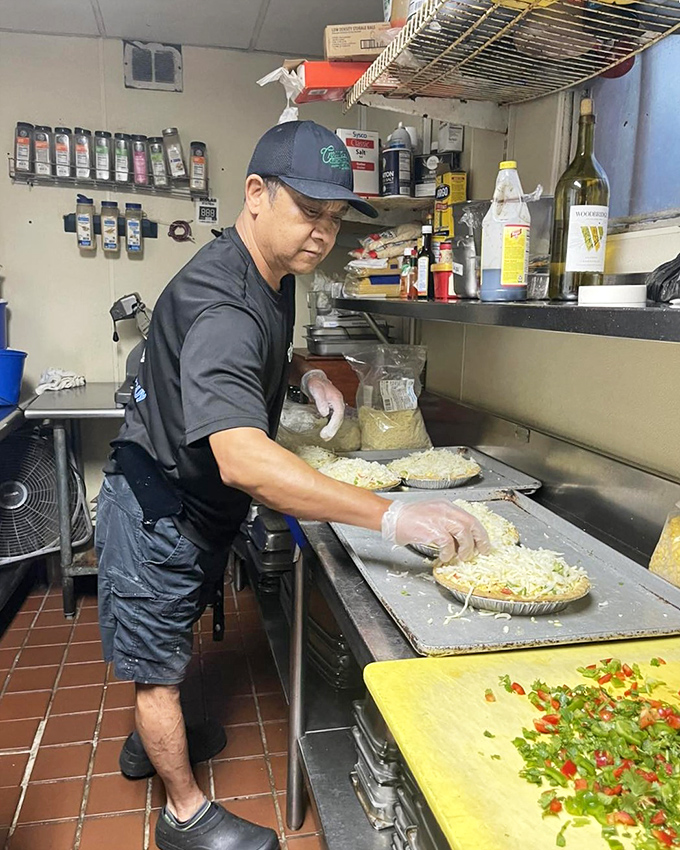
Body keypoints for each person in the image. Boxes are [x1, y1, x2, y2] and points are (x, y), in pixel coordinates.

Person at [95, 120, 490, 850]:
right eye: (310, 211)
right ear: (255, 195)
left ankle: (143, 744)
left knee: (166, 640)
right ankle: (182, 813)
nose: (322, 234)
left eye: (335, 219)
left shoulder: (266, 273)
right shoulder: (224, 303)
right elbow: (244, 458)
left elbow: (259, 358)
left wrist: (304, 371)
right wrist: (390, 516)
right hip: (153, 510)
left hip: (194, 508)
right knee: (155, 667)